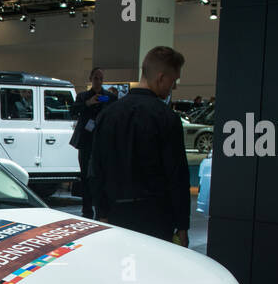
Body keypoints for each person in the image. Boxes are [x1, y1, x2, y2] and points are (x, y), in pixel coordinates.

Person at [88, 46, 190, 246]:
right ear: (161, 78)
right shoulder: (167, 118)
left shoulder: (108, 115)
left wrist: (101, 214)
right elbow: (177, 175)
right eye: (173, 80)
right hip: (157, 219)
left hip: (115, 216)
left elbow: (96, 169)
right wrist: (182, 225)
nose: (174, 87)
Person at [68, 67, 111, 217]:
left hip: (102, 141)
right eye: (96, 78)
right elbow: (72, 111)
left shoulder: (108, 97)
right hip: (86, 142)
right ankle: (87, 208)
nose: (98, 81)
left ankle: (101, 208)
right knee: (85, 175)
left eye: (101, 78)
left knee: (101, 176)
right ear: (91, 79)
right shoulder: (83, 96)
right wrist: (88, 103)